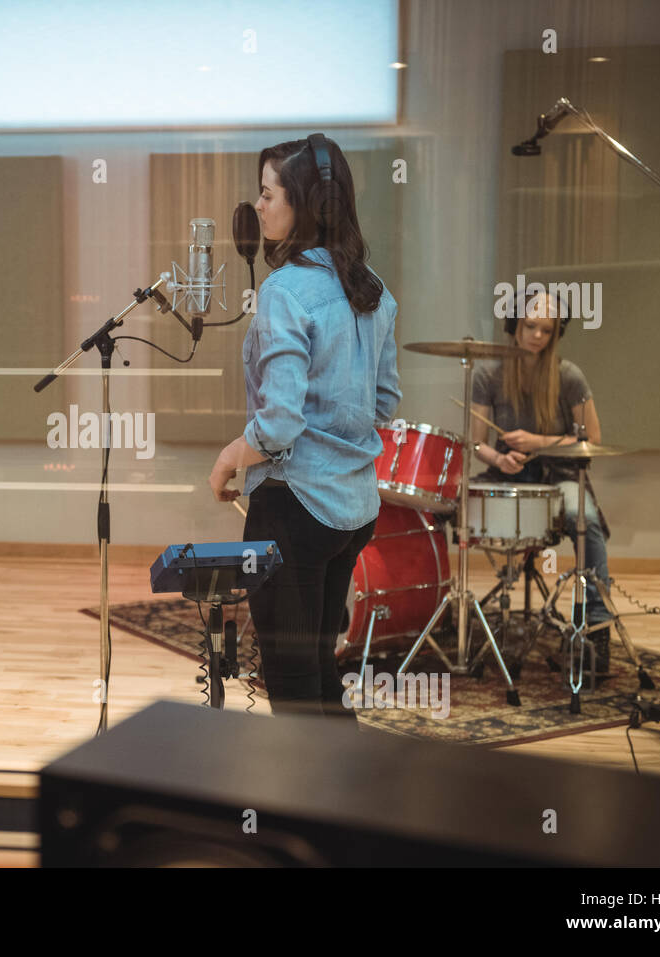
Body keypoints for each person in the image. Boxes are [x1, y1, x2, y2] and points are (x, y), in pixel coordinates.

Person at [210, 135, 400, 717]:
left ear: (302, 204)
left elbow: (280, 424)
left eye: (268, 195)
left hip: (293, 511)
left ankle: (307, 804)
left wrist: (227, 459)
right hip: (354, 512)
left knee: (294, 695)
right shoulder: (374, 289)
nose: (258, 206)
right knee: (319, 675)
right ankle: (340, 800)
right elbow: (385, 404)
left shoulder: (284, 291)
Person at [471, 289, 613, 672]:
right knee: (457, 505)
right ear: (514, 326)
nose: (536, 335)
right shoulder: (487, 374)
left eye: (546, 330)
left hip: (560, 476)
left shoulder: (569, 376)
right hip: (508, 474)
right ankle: (449, 615)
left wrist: (539, 442)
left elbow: (592, 440)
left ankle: (596, 627)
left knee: (586, 521)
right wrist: (500, 457)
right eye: (529, 326)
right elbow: (475, 443)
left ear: (556, 334)